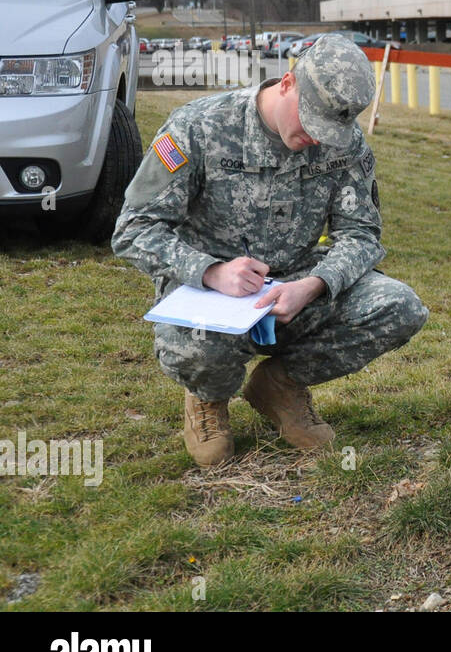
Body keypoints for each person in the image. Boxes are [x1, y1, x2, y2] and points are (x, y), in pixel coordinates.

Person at [113, 34, 428, 467]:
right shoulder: (199, 127)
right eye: (311, 122)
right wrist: (211, 271)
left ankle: (280, 386)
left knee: (399, 306)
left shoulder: (345, 143)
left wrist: (313, 285)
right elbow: (133, 228)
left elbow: (361, 235)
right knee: (196, 351)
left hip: (294, 291)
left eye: (329, 131)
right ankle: (208, 397)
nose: (317, 139)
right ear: (286, 84)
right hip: (210, 298)